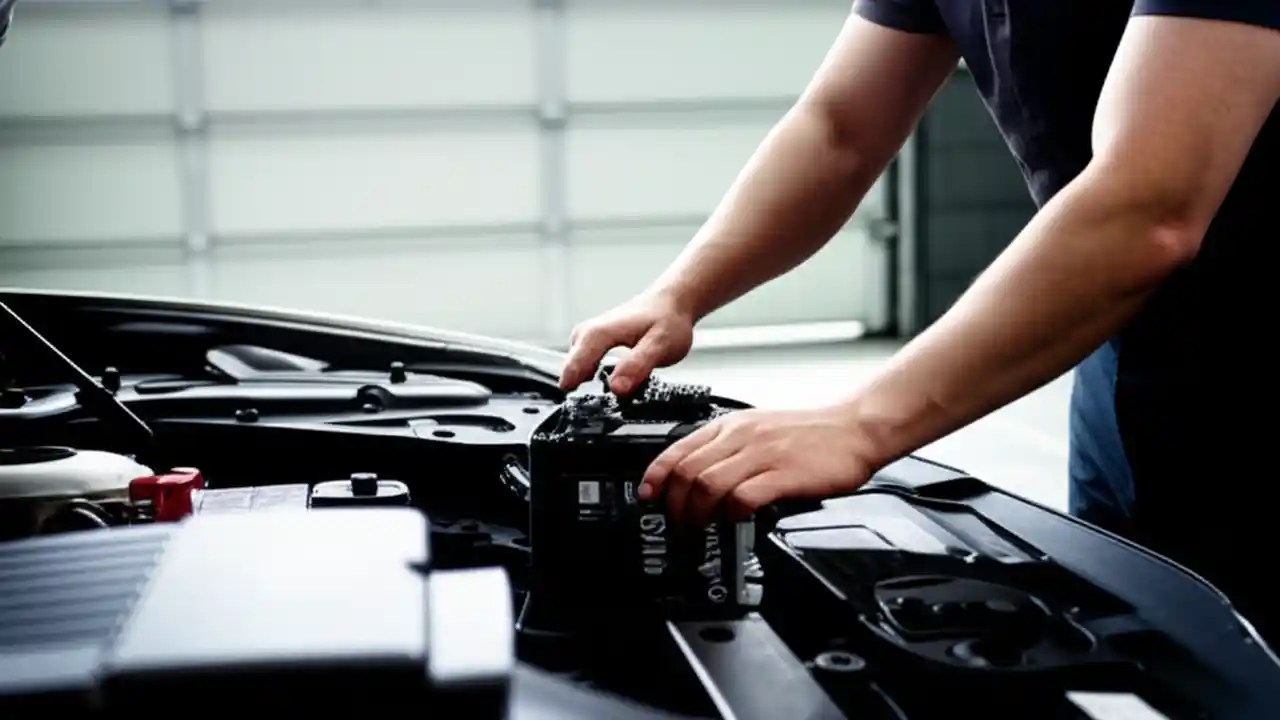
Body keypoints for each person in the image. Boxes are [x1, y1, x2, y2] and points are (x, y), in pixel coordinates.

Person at [559, 1, 1280, 641]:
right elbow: (839, 129)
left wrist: (859, 424)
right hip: (1118, 356)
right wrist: (680, 294)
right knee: (1142, 647)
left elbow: (1150, 206)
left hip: (1254, 370)